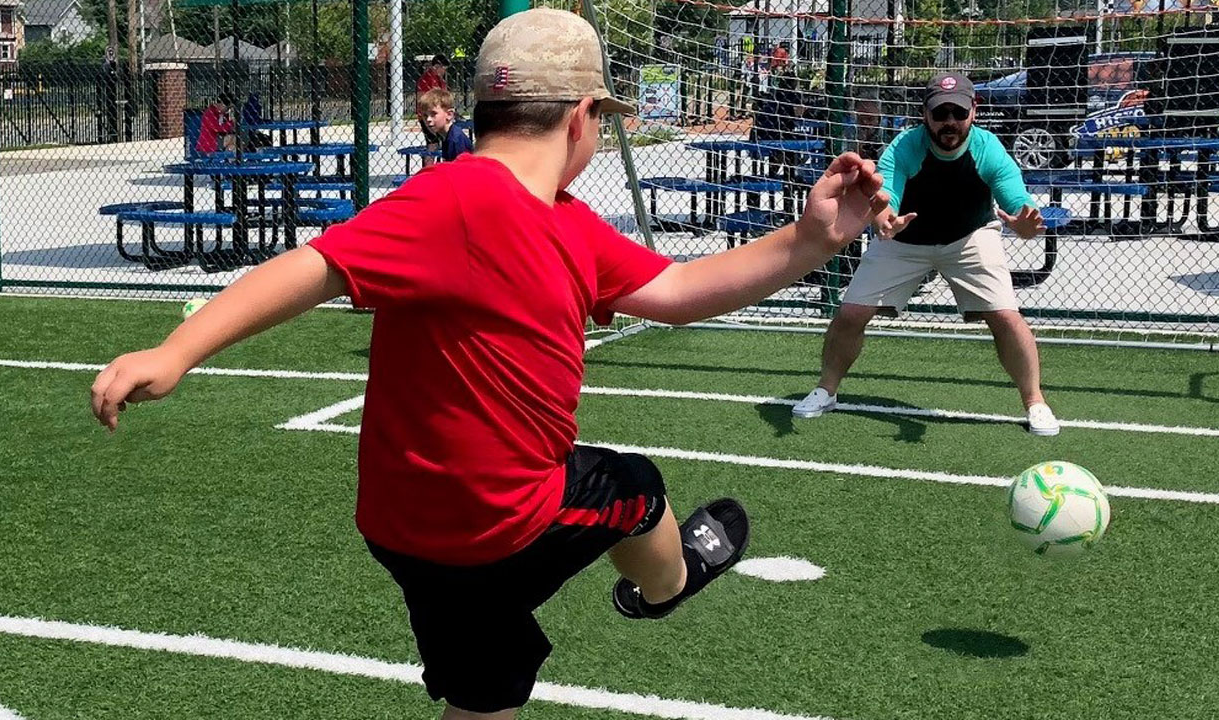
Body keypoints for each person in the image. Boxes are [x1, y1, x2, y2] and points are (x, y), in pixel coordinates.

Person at [89, 8, 888, 718]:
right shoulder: (459, 199)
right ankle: (666, 586)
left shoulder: (552, 220)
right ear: (583, 119)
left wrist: (810, 241)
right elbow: (315, 266)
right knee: (636, 489)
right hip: (502, 521)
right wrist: (176, 351)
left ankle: (597, 616)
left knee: (486, 690)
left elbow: (676, 288)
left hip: (404, 528)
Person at [790, 71, 1060, 437]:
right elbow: (886, 198)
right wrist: (885, 220)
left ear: (974, 111)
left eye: (958, 112)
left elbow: (1015, 198)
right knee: (852, 312)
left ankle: (1035, 402)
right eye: (940, 113)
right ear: (925, 114)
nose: (949, 121)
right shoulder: (904, 146)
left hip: (970, 237)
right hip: (904, 239)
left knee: (1007, 317)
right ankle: (826, 390)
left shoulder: (989, 148)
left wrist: (1025, 221)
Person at [416, 87, 473, 162]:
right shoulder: (446, 136)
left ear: (449, 115)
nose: (428, 119)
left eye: (433, 114)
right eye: (425, 115)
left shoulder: (455, 141)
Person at [416, 57, 452, 168]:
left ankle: (439, 167)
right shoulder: (426, 79)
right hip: (428, 115)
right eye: (443, 68)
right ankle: (428, 168)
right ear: (436, 67)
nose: (444, 71)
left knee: (444, 141)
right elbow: (421, 99)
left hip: (439, 115)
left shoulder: (440, 80)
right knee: (433, 142)